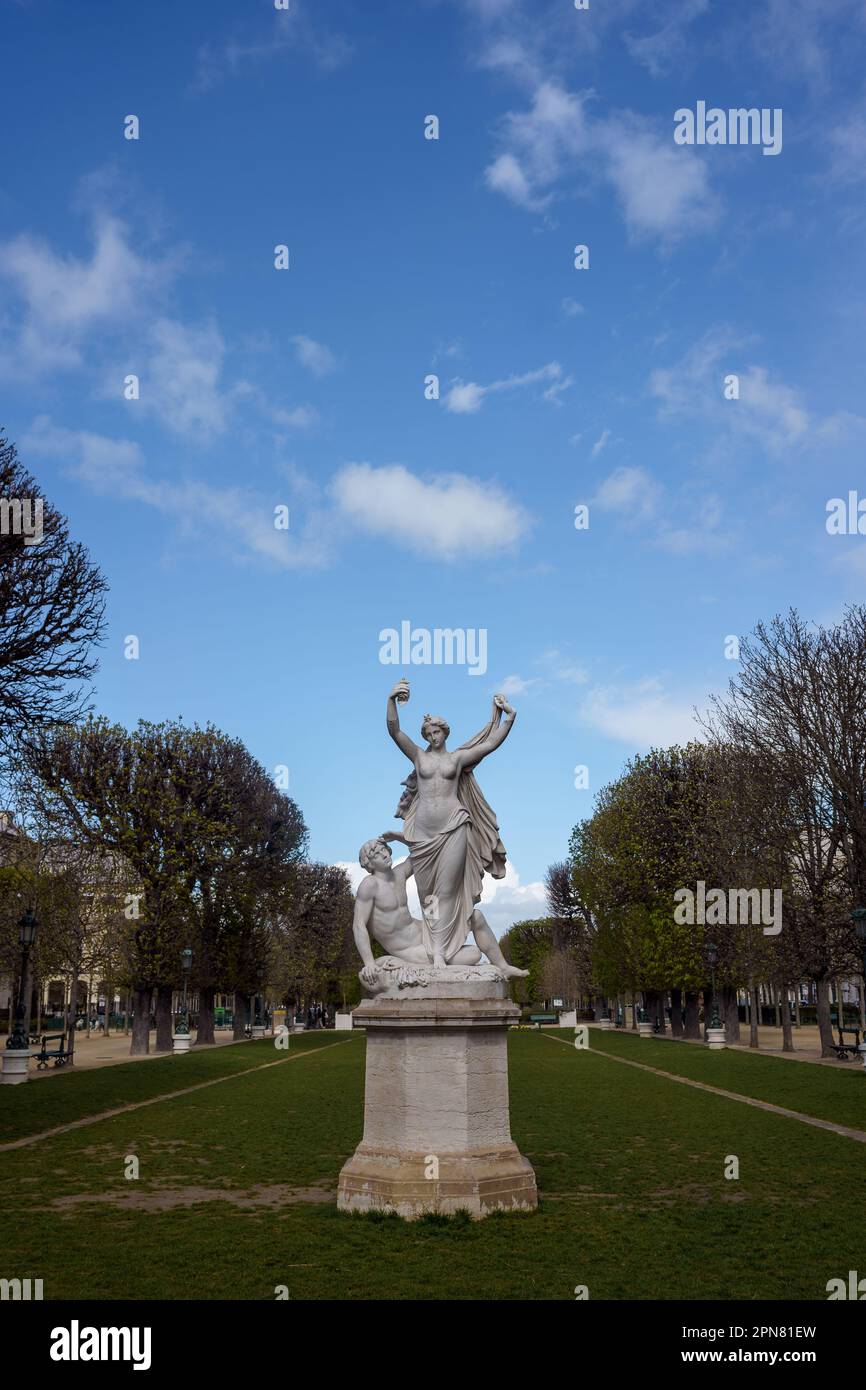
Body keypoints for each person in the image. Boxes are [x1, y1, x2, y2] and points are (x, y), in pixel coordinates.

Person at [384, 680, 527, 971]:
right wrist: (391, 701)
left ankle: (438, 952)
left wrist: (510, 717)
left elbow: (490, 745)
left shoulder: (458, 759)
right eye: (428, 732)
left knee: (447, 891)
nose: (432, 736)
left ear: (445, 732)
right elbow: (395, 732)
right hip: (423, 836)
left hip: (454, 826)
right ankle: (437, 946)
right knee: (429, 896)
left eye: (437, 731)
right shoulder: (418, 756)